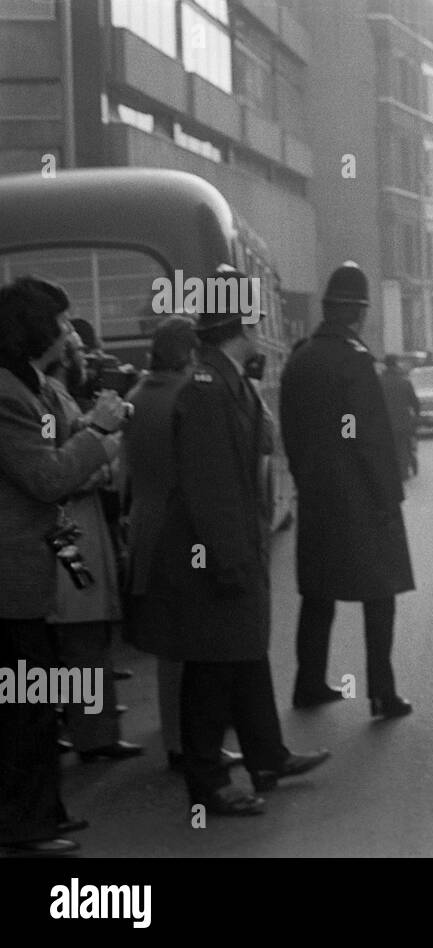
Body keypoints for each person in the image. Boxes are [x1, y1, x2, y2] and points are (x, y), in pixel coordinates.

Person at [151, 273, 329, 816]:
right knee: (210, 669)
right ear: (243, 325)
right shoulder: (207, 392)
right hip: (216, 558)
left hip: (233, 550)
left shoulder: (227, 381)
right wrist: (231, 563)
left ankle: (267, 755)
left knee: (245, 659)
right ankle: (208, 783)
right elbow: (212, 492)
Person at [0, 276, 129, 856]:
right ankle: (24, 828)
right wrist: (97, 433)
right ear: (34, 330)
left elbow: (62, 448)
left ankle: (43, 811)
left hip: (35, 569)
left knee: (36, 702)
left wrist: (90, 430)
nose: (67, 333)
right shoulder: (7, 394)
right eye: (58, 323)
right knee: (22, 710)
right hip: (11, 578)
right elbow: (47, 476)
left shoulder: (32, 387)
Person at [281, 262, 415, 719]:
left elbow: (291, 436)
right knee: (380, 597)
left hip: (317, 499)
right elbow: (369, 439)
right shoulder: (356, 362)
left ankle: (308, 683)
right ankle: (381, 692)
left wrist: (306, 481)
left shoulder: (299, 359)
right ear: (358, 313)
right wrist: (389, 495)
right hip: (361, 498)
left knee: (317, 597)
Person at [121, 317, 242, 773]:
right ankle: (194, 744)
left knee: (169, 645)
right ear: (191, 356)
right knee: (197, 641)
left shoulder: (135, 398)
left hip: (145, 528)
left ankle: (175, 736)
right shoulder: (190, 399)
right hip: (185, 530)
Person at [43, 329, 142, 762]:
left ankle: (83, 726)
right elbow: (57, 471)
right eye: (79, 349)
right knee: (82, 633)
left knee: (82, 633)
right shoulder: (49, 397)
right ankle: (94, 734)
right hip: (70, 536)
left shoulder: (56, 395)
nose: (87, 357)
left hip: (74, 532)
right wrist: (103, 461)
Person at [380, 354, 420, 480]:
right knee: (403, 445)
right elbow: (415, 402)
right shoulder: (404, 382)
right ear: (396, 364)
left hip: (383, 422)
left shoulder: (378, 382)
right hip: (403, 421)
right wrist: (416, 416)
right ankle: (403, 471)